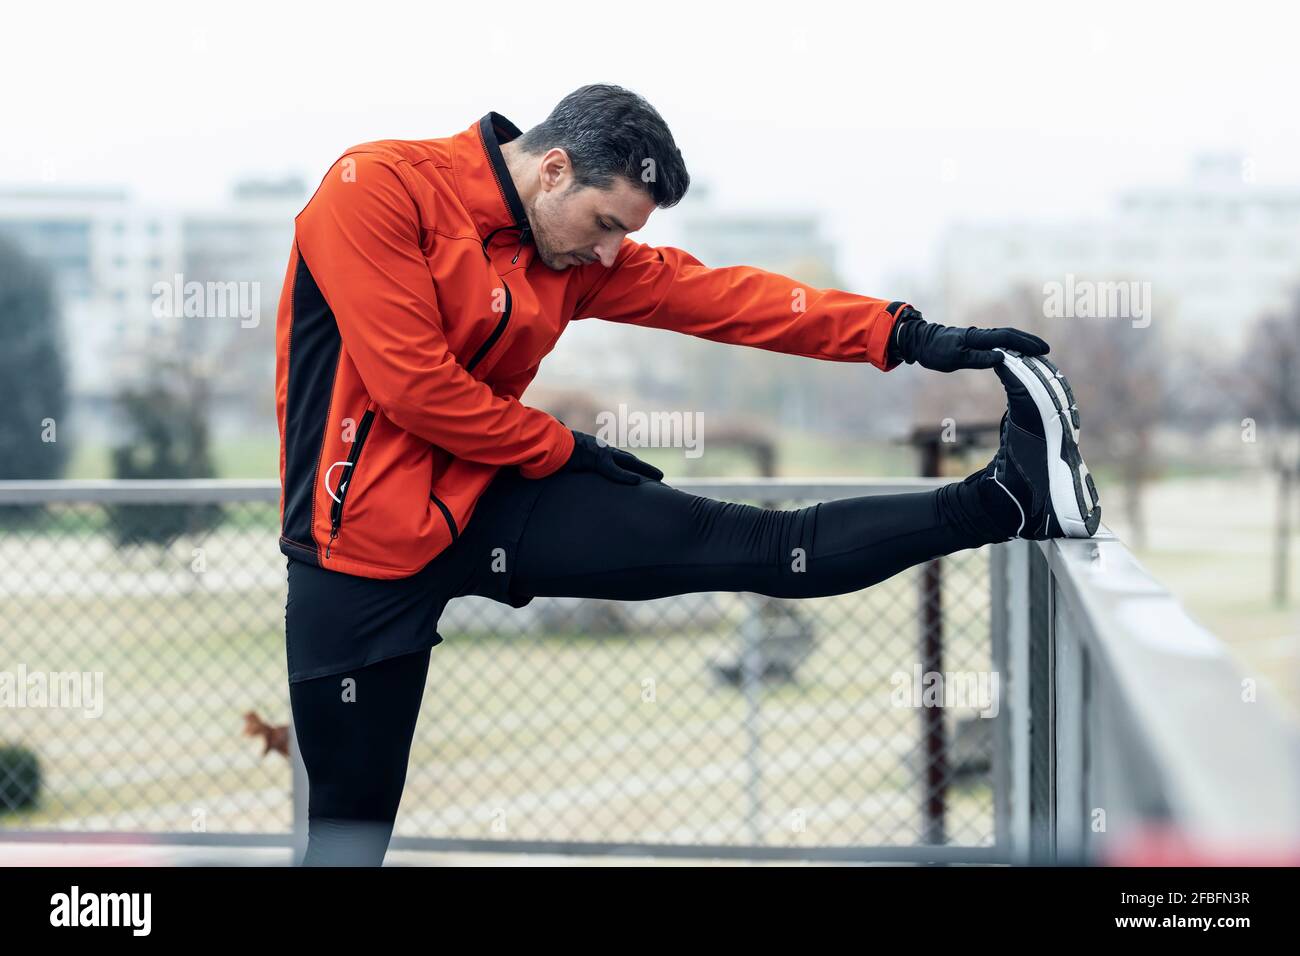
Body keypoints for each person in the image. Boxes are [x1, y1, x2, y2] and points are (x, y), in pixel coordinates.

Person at [275, 84, 1100, 866]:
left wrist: (907, 336)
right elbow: (413, 387)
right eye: (603, 224)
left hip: (491, 490)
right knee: (350, 838)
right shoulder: (375, 188)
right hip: (359, 551)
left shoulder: (572, 247)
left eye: (622, 237)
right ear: (553, 167)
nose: (607, 252)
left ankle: (1009, 500)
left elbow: (725, 298)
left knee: (766, 546)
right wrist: (567, 450)